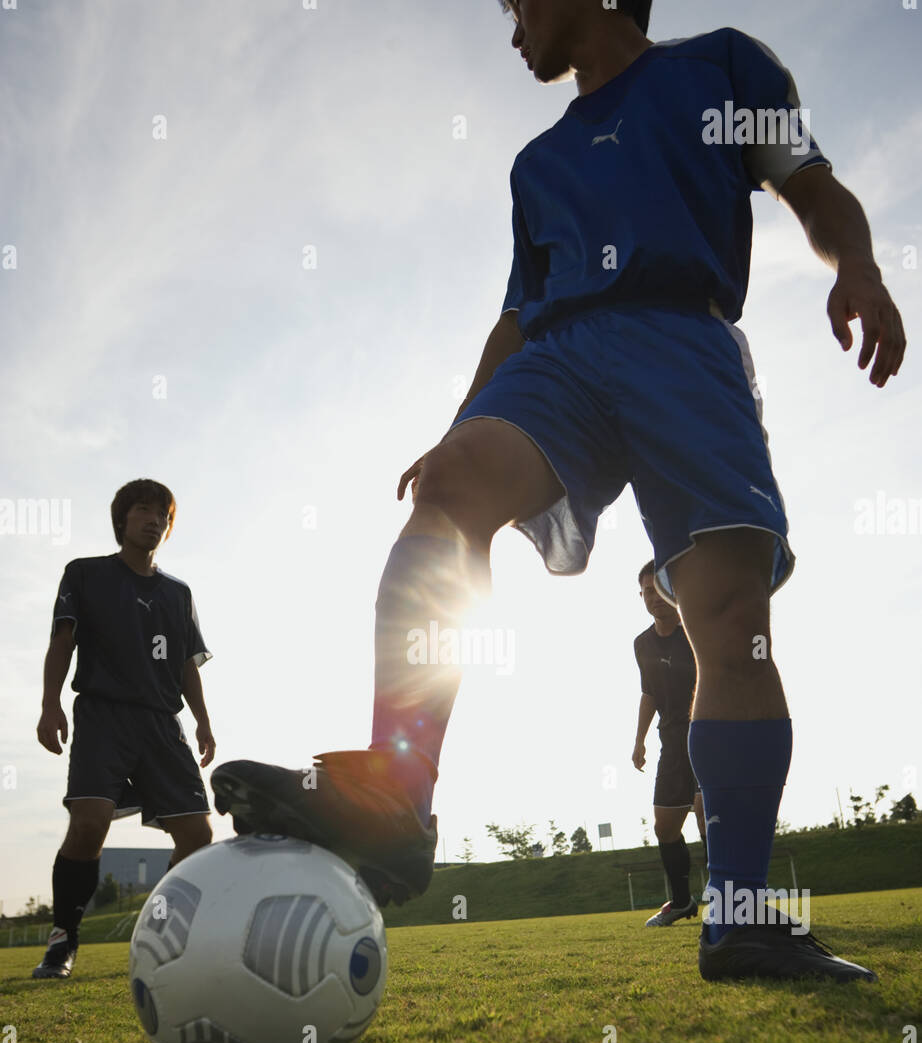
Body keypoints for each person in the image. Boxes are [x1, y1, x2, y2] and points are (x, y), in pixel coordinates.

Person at [210, 1, 904, 983]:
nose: (510, 31)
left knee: (729, 615)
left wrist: (860, 268)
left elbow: (812, 188)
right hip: (564, 356)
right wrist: (458, 423)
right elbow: (512, 319)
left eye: (517, 4)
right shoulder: (537, 167)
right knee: (451, 487)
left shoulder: (723, 69)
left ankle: (742, 914)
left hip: (682, 338)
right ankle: (400, 793)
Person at [33, 480, 215, 979]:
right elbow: (62, 641)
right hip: (102, 715)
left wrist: (202, 720)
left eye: (163, 514)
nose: (154, 519)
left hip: (162, 723)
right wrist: (50, 705)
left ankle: (158, 927)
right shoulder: (85, 574)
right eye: (143, 510)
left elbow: (186, 664)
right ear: (123, 519)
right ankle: (63, 939)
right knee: (90, 823)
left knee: (198, 833)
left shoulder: (179, 593)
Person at [633, 560, 707, 926]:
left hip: (709, 734)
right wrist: (639, 740)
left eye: (659, 589)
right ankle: (682, 902)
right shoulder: (642, 644)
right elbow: (649, 692)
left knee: (707, 815)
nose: (654, 597)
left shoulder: (698, 630)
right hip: (671, 742)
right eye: (647, 591)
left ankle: (731, 899)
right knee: (665, 826)